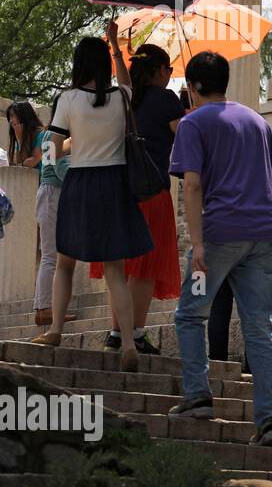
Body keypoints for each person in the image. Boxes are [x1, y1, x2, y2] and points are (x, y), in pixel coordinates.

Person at [167, 52, 272, 448]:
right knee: (259, 326)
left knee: (190, 314)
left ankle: (198, 396)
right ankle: (270, 419)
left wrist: (198, 244)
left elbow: (191, 186)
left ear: (193, 87)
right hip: (263, 238)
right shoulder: (258, 122)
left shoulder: (192, 124)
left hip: (220, 236)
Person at [31, 29, 150, 371]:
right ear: (105, 63)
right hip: (114, 183)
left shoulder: (67, 100)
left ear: (78, 64)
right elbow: (126, 81)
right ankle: (128, 344)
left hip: (80, 181)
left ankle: (55, 329)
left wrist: (57, 171)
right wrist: (115, 45)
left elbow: (50, 147)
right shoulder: (121, 98)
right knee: (115, 270)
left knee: (65, 263)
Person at [88, 43, 182, 355]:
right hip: (152, 191)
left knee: (122, 267)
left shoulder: (123, 99)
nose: (170, 75)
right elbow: (183, 136)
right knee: (145, 269)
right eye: (168, 69)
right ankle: (136, 333)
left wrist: (115, 48)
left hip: (118, 191)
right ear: (159, 71)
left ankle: (117, 333)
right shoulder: (165, 100)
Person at [208, 155, 272, 362]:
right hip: (261, 257)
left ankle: (219, 360)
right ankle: (255, 362)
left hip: (222, 244)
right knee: (256, 311)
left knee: (223, 307)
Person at [6, 101, 75, 327]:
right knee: (50, 256)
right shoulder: (51, 136)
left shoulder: (48, 136)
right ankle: (44, 309)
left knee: (50, 256)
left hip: (50, 194)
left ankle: (44, 308)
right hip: (52, 194)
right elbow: (55, 166)